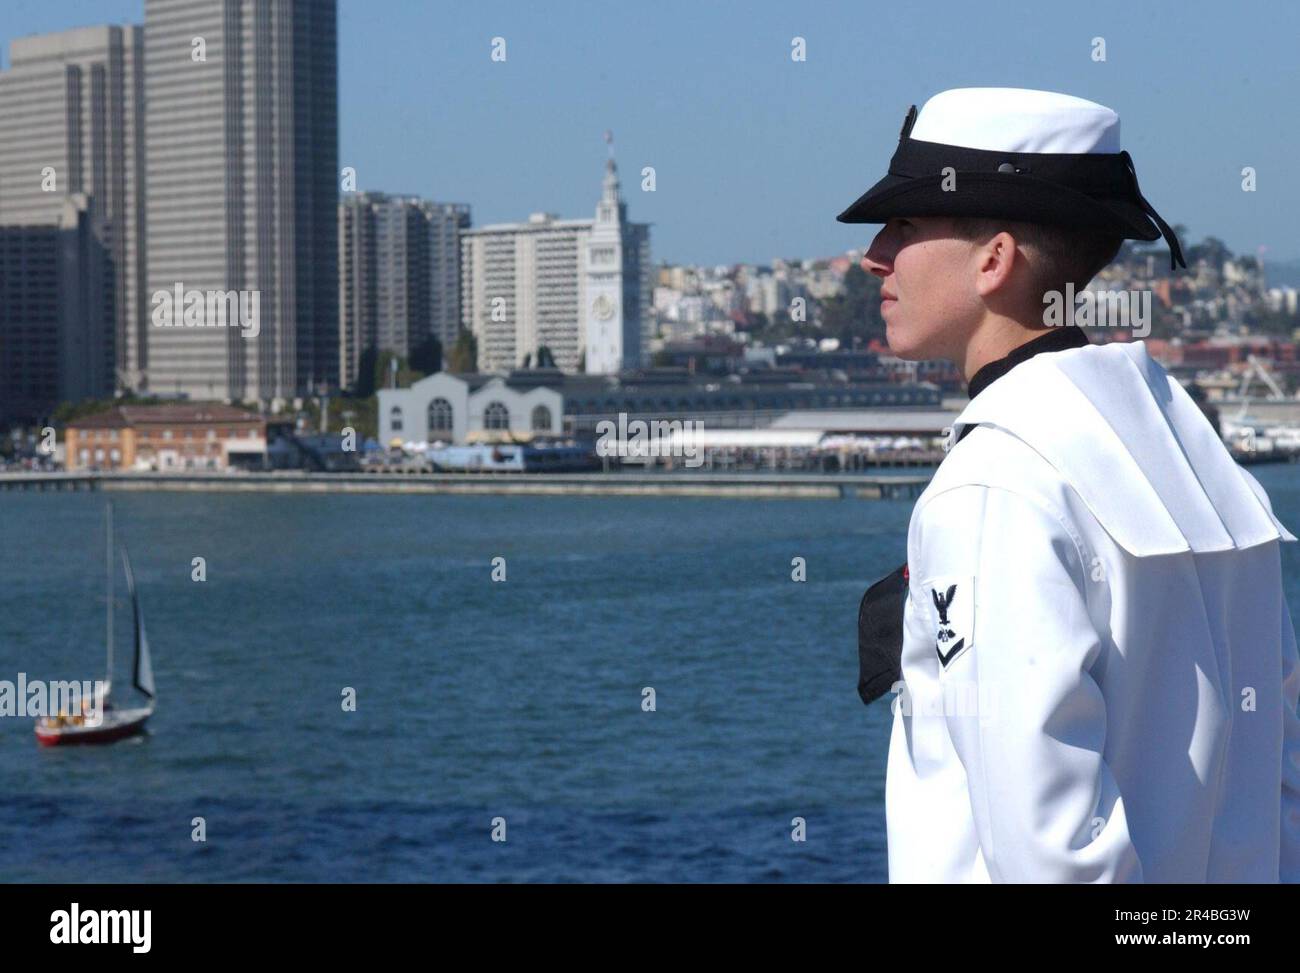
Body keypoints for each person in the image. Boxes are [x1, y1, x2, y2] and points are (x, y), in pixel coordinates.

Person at [841, 87, 1300, 882]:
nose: (874, 254)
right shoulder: (1197, 450)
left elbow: (1048, 852)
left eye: (905, 226)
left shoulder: (995, 479)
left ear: (994, 260)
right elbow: (1280, 777)